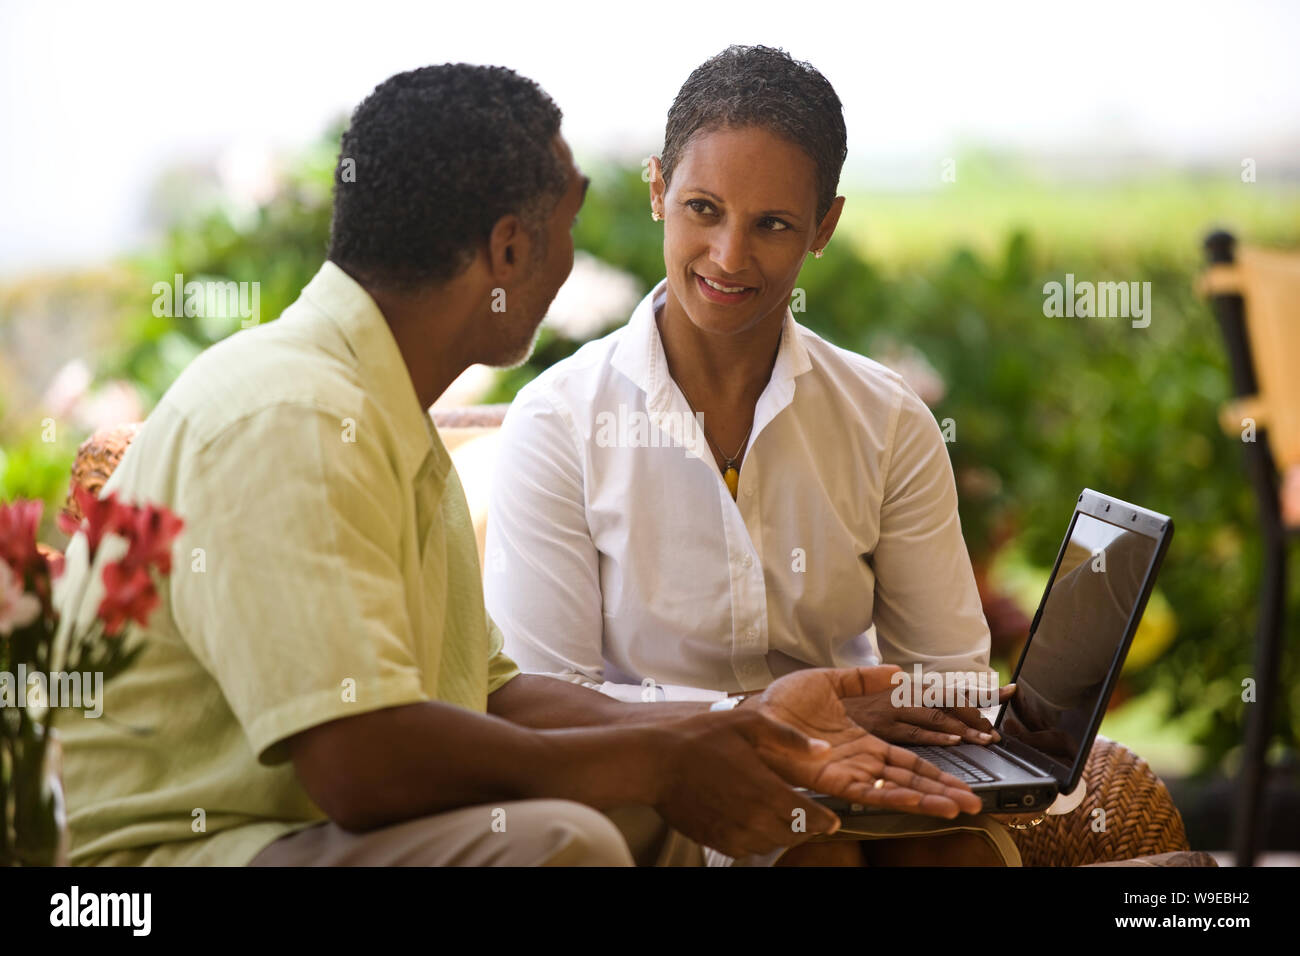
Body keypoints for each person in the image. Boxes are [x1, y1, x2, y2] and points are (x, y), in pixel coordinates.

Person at [55, 63, 983, 868]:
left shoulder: (380, 413)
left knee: (674, 816)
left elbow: (494, 697)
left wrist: (738, 733)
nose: (581, 259)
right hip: (192, 857)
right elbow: (359, 764)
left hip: (305, 832)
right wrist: (664, 762)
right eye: (569, 223)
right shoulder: (292, 414)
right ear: (509, 248)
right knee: (562, 841)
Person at [484, 46, 1020, 865]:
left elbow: (949, 682)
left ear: (824, 227)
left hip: (856, 782)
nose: (730, 257)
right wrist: (772, 722)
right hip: (653, 788)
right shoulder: (558, 421)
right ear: (659, 188)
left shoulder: (888, 422)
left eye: (772, 224)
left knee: (958, 857)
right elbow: (548, 707)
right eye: (704, 209)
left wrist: (900, 730)